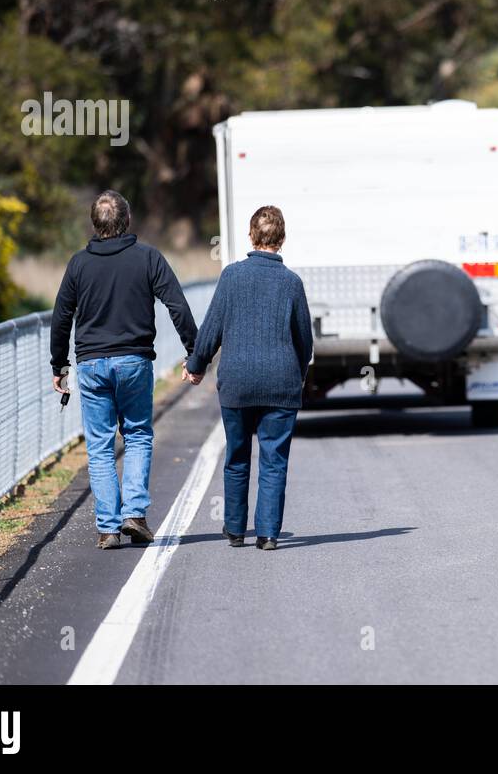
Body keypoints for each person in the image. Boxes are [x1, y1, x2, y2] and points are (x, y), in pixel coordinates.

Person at [50, 191, 198, 549]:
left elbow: (61, 318)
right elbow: (176, 305)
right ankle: (134, 514)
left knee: (99, 446)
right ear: (127, 221)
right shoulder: (148, 258)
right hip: (134, 362)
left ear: (94, 224)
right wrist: (195, 352)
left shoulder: (78, 264)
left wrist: (59, 365)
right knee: (137, 436)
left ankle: (108, 528)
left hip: (91, 364)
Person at [184, 205, 312, 551]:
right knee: (274, 460)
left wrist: (195, 365)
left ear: (251, 236)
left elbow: (211, 330)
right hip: (280, 384)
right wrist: (296, 377)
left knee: (237, 456)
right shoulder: (292, 283)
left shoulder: (231, 277)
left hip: (237, 383)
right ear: (281, 239)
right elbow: (305, 341)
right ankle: (268, 533)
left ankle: (236, 528)